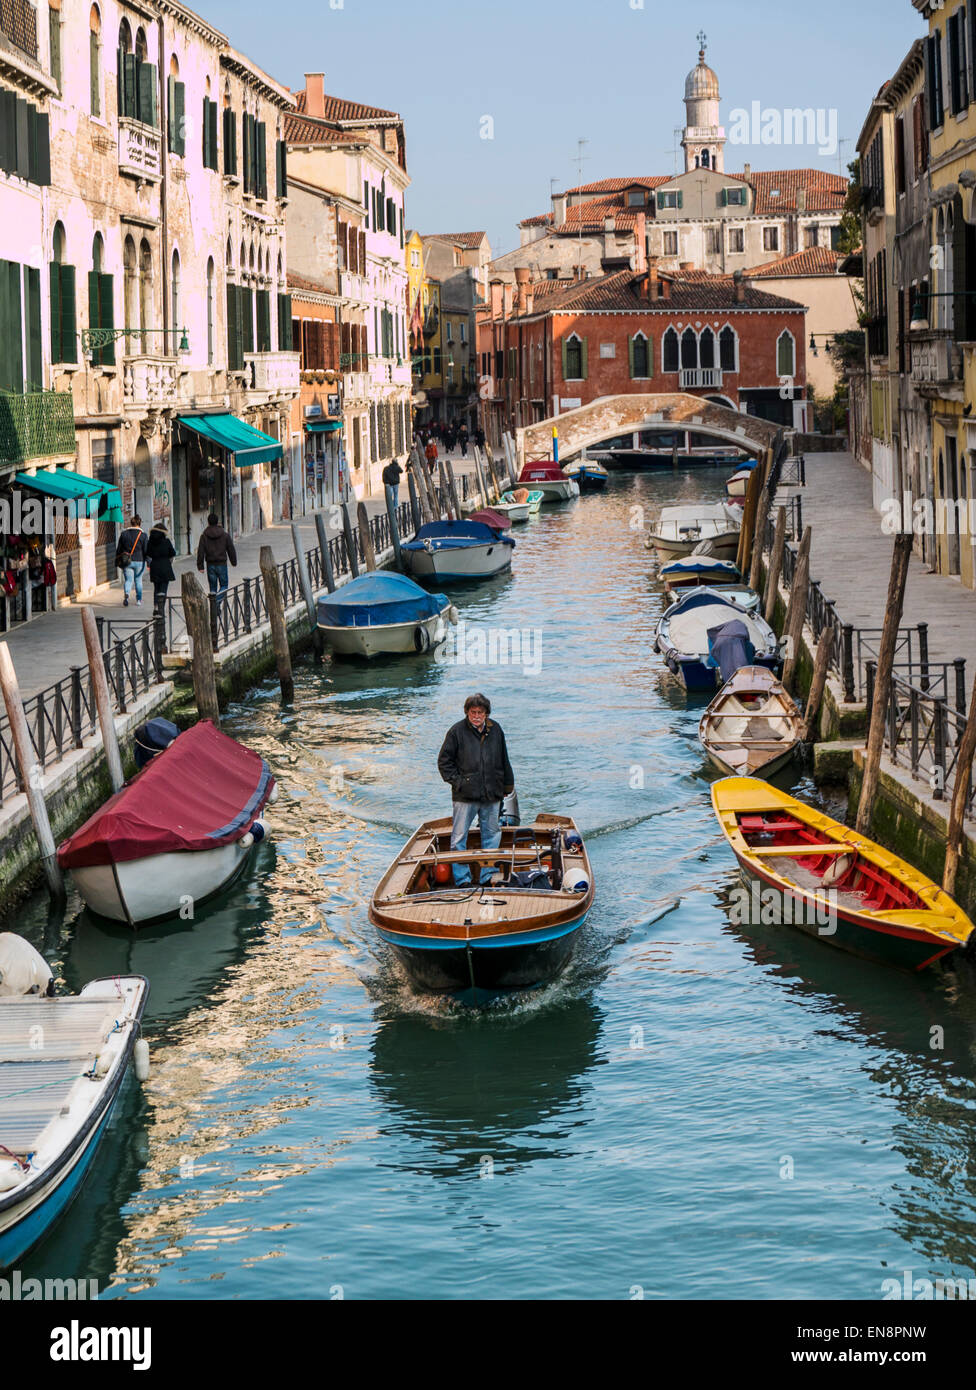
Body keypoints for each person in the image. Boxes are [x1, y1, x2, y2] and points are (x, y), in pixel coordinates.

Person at [437, 693, 515, 886]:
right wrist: (459, 783)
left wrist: (507, 785)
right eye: (473, 712)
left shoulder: (496, 730)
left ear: (486, 713)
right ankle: (462, 879)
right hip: (465, 796)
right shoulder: (456, 732)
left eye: (480, 712)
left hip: (492, 794)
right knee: (459, 838)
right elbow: (444, 762)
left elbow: (504, 759)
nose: (477, 716)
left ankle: (488, 876)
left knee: (491, 836)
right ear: (467, 712)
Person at [196, 511, 237, 609]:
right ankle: (217, 603)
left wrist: (200, 566)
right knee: (224, 586)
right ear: (217, 522)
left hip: (210, 565)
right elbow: (231, 549)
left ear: (208, 522)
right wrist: (233, 561)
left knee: (213, 588)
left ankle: (215, 607)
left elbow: (200, 551)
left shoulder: (204, 536)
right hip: (222, 564)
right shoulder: (225, 535)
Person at [146, 521, 176, 619]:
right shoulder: (166, 541)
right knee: (163, 589)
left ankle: (155, 607)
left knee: (156, 588)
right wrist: (169, 562)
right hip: (165, 566)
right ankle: (161, 609)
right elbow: (172, 553)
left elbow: (148, 553)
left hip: (154, 566)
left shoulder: (150, 542)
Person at [115, 515, 147, 607]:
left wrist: (117, 559)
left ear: (131, 523)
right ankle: (139, 600)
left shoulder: (124, 534)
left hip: (127, 561)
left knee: (128, 580)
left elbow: (119, 549)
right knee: (138, 580)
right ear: (139, 523)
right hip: (139, 561)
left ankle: (127, 595)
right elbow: (145, 550)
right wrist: (148, 561)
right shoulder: (143, 535)